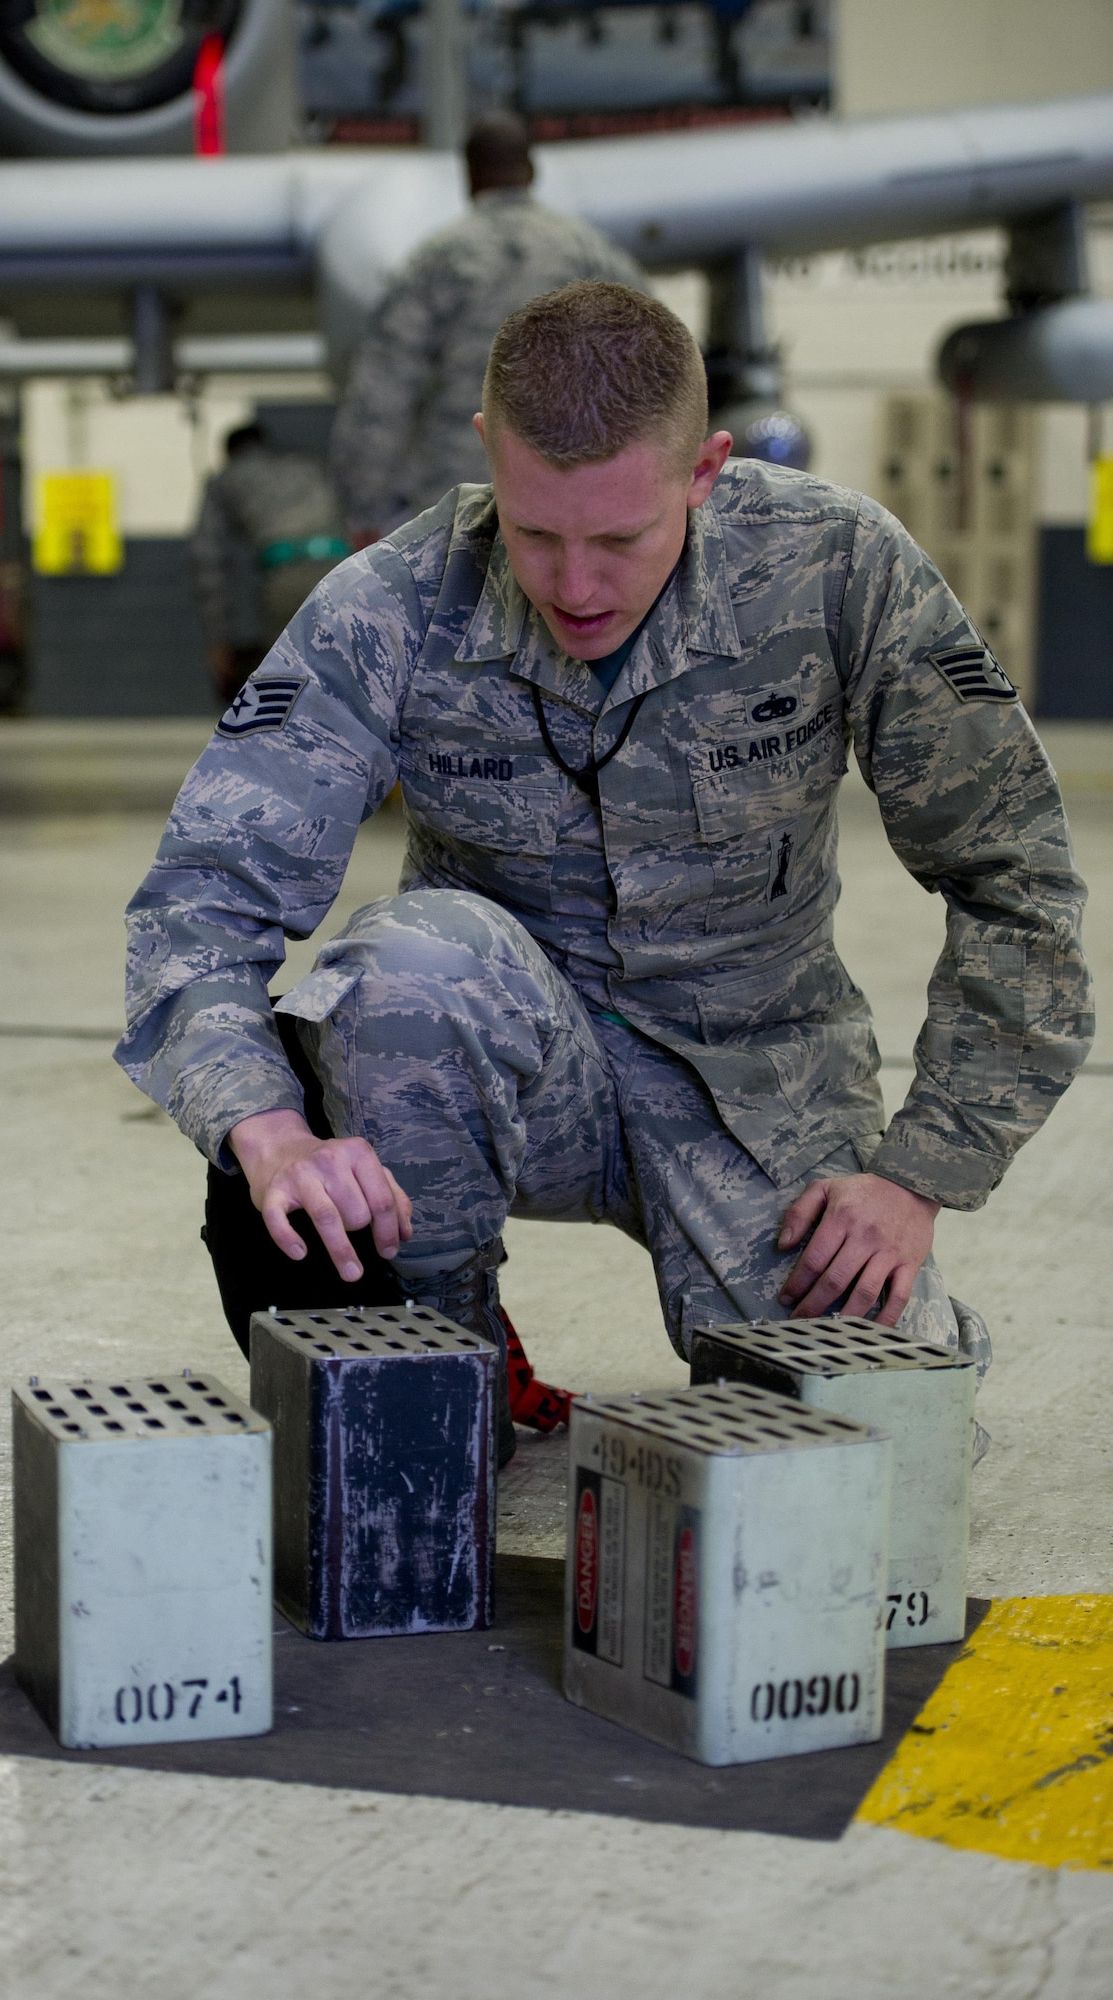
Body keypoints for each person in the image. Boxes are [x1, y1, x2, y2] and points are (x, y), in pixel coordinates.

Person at [120, 282, 1092, 1466]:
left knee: (879, 1458)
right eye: (536, 533)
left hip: (758, 1080)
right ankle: (442, 1366)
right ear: (489, 456)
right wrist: (264, 1128)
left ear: (704, 469)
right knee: (407, 967)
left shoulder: (835, 569)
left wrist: (920, 1170)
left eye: (619, 538)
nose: (573, 586)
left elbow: (1016, 882)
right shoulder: (395, 602)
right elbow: (200, 899)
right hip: (518, 1066)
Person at [329, 110, 646, 546]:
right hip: (576, 489)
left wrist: (365, 507)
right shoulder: (590, 253)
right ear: (532, 170)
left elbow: (383, 393)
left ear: (470, 176)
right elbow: (653, 366)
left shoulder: (437, 260)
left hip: (461, 501)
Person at [190, 422, 350, 704]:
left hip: (285, 577)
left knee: (289, 687)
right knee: (347, 677)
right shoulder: (308, 466)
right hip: (343, 572)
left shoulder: (227, 479)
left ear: (230, 454)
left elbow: (208, 563)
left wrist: (218, 639)